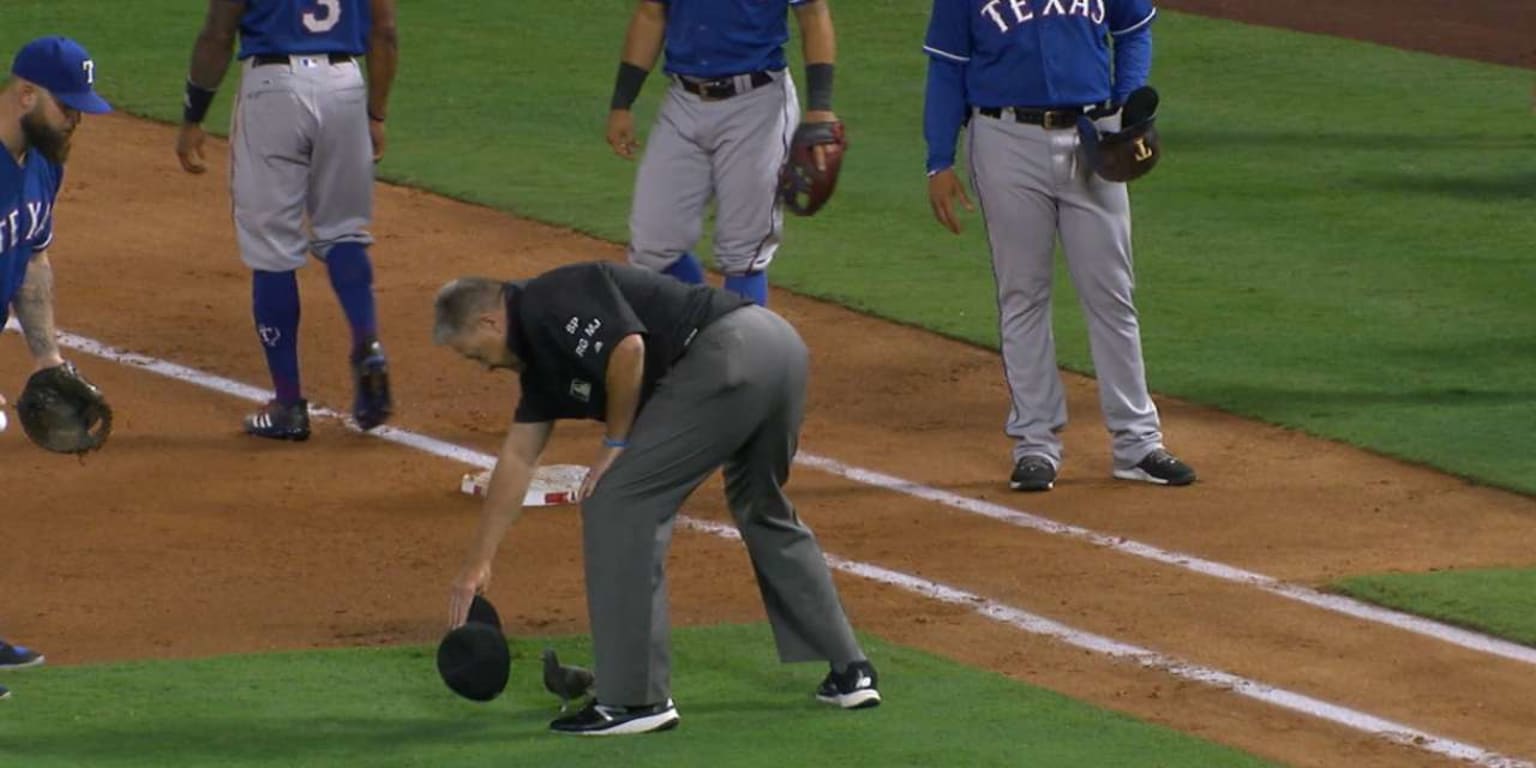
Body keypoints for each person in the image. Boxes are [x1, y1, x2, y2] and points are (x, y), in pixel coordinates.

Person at [437, 261, 881, 735]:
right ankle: (849, 671)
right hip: (779, 348)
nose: (482, 367)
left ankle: (634, 702)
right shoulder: (540, 369)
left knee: (617, 501)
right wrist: (477, 564)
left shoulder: (548, 299)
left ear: (489, 321)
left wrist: (615, 444)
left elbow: (628, 348)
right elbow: (518, 458)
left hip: (727, 351)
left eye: (474, 354)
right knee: (760, 504)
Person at [921, 0, 1196, 491]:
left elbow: (1134, 29)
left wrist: (1124, 103)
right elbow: (947, 66)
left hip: (1093, 139)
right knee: (1023, 293)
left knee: (1111, 292)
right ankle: (1035, 444)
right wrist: (938, 160)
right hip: (1003, 139)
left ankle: (1137, 443)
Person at [175, 0, 400, 440]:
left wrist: (192, 117)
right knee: (344, 233)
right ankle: (367, 340)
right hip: (345, 85)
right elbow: (385, 32)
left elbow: (218, 34)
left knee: (272, 249)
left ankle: (288, 404)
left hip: (273, 89)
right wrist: (375, 114)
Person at [0, 34, 112, 700]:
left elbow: (32, 261)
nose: (75, 120)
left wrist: (47, 356)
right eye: (67, 107)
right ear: (25, 94)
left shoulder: (44, 164)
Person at [605, 0, 840, 306]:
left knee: (745, 252)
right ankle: (697, 331)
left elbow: (813, 13)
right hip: (683, 101)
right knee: (653, 246)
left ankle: (746, 349)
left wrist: (820, 107)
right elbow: (651, 13)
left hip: (757, 105)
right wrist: (622, 102)